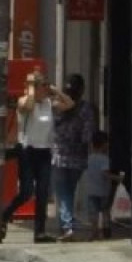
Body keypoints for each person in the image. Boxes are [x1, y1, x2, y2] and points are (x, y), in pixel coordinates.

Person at [1, 71, 74, 243]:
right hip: (27, 149)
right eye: (42, 86)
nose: (44, 89)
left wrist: (55, 90)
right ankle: (5, 214)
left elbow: (70, 104)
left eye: (44, 86)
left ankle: (39, 232)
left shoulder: (49, 103)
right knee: (27, 191)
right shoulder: (24, 101)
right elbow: (27, 106)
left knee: (42, 192)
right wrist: (32, 87)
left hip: (44, 151)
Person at [51, 74, 95, 241]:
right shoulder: (86, 109)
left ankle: (67, 225)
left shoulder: (57, 106)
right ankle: (66, 223)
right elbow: (87, 135)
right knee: (69, 190)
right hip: (78, 157)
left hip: (59, 154)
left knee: (63, 192)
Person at [83, 131, 122, 241]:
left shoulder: (89, 158)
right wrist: (117, 178)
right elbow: (105, 173)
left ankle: (94, 232)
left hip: (91, 190)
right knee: (105, 211)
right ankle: (106, 231)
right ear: (104, 144)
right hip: (103, 191)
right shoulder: (104, 159)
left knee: (93, 214)